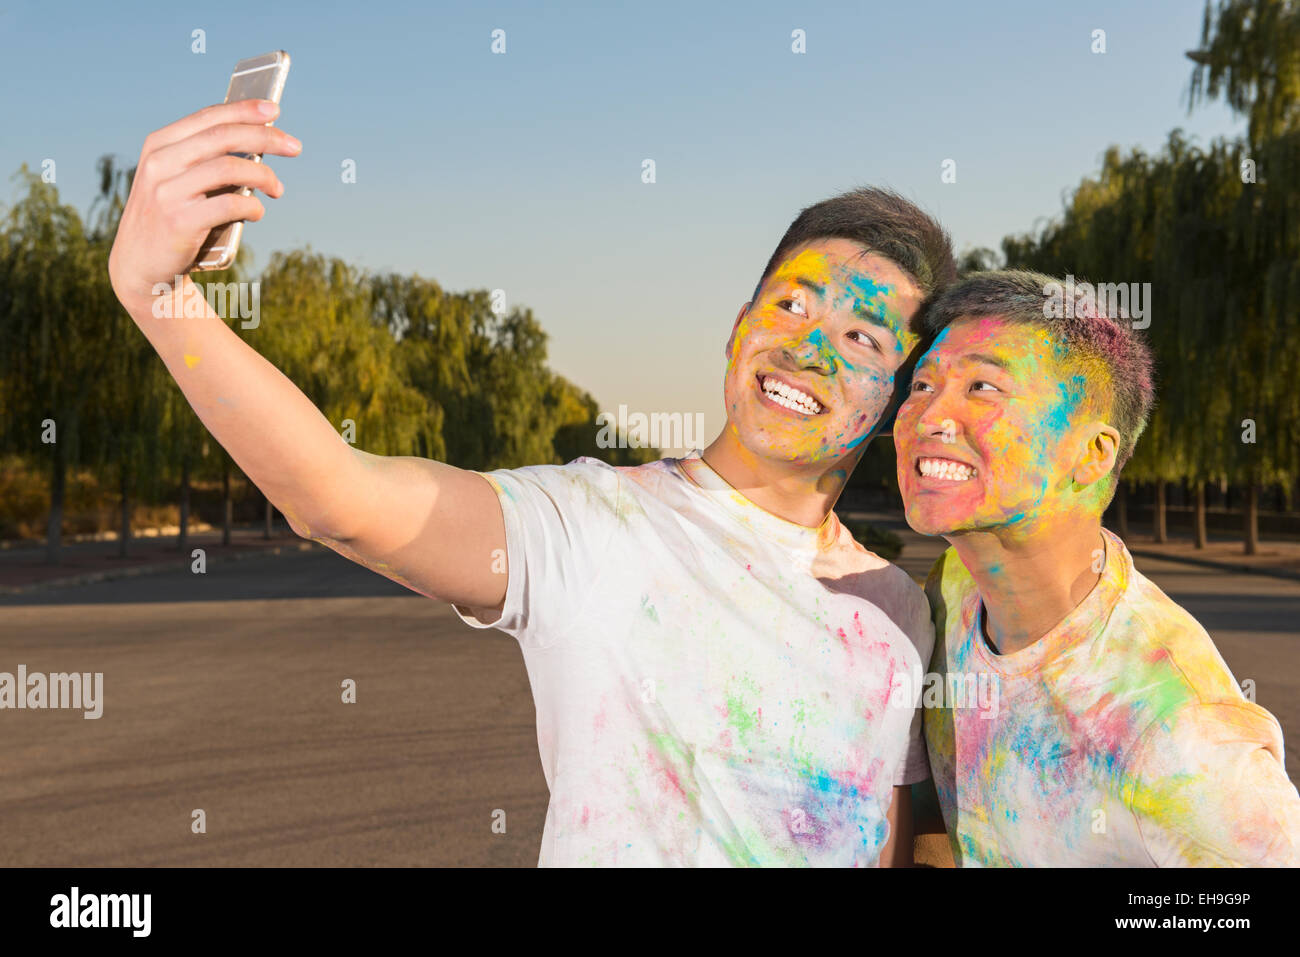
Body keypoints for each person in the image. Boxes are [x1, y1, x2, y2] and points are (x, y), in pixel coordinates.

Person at [108, 98, 958, 866]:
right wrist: (159, 295)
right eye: (793, 306)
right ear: (738, 331)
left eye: (863, 340)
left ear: (895, 398)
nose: (809, 349)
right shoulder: (595, 526)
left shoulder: (898, 610)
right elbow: (340, 496)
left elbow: (892, 836)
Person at [895, 269, 1300, 866]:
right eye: (923, 384)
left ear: (1092, 453)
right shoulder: (955, 586)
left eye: (983, 386)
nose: (929, 416)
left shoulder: (1180, 734)